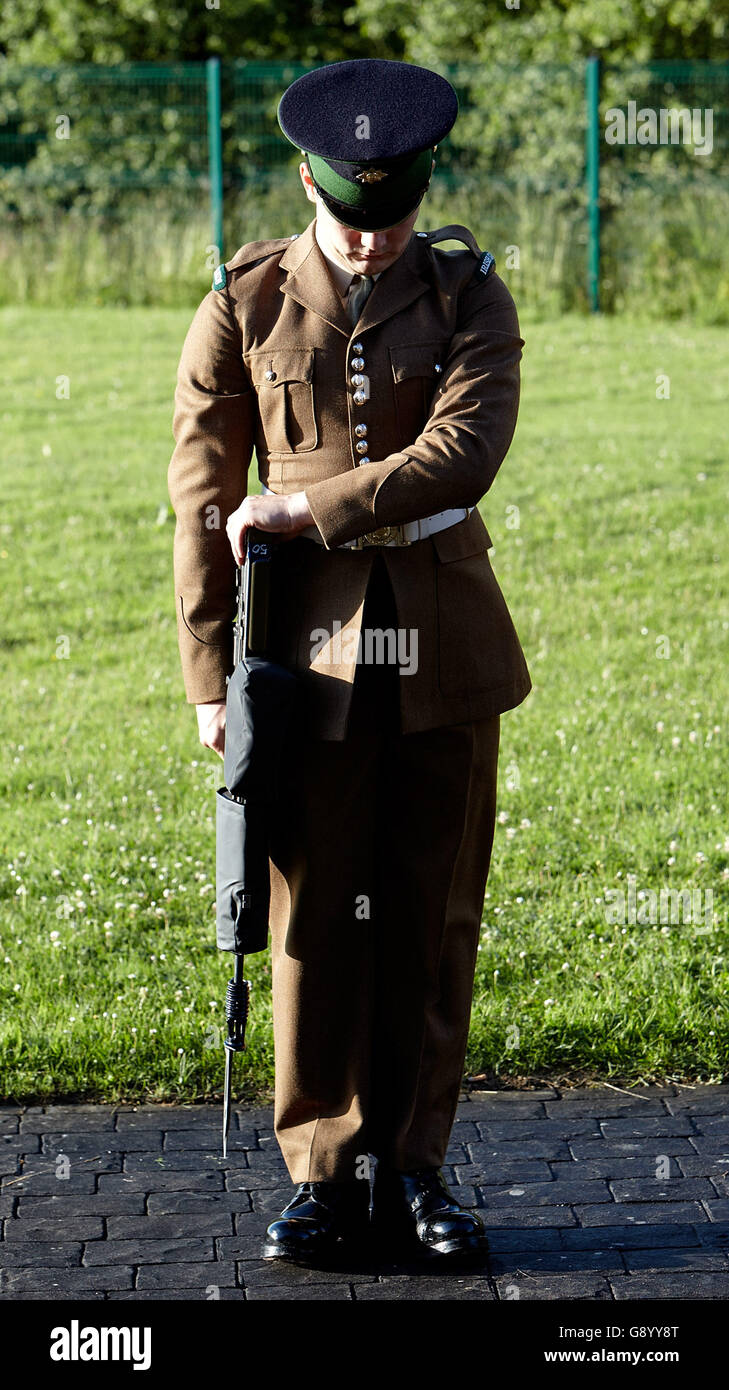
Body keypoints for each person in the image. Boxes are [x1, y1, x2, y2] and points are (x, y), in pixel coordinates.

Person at [167, 57, 531, 1264]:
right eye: (347, 216)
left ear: (424, 190)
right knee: (314, 921)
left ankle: (418, 1172)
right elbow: (201, 494)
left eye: (394, 216)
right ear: (307, 186)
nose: (372, 241)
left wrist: (307, 511)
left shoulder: (473, 292)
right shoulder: (243, 301)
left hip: (444, 647)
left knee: (432, 918)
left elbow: (465, 450)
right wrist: (210, 678)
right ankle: (326, 1171)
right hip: (299, 663)